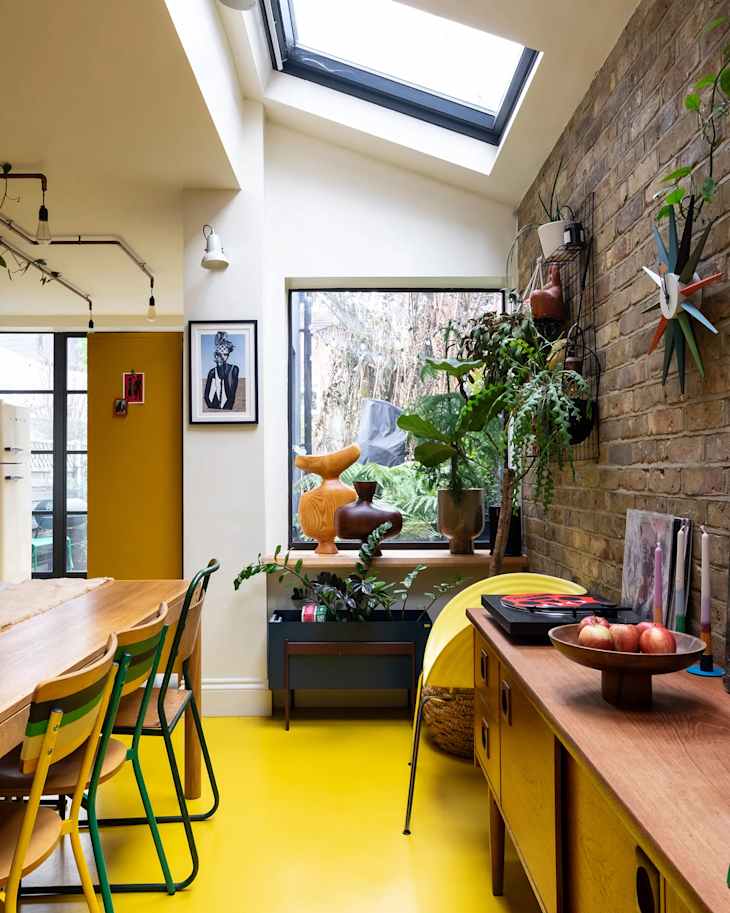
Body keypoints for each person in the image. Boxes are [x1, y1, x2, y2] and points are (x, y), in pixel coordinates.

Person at [204, 331, 239, 410]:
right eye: (218, 354)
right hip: (214, 408)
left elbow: (231, 396)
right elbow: (206, 396)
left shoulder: (234, 370)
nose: (221, 357)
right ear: (215, 355)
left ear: (228, 356)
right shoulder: (212, 372)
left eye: (225, 354)